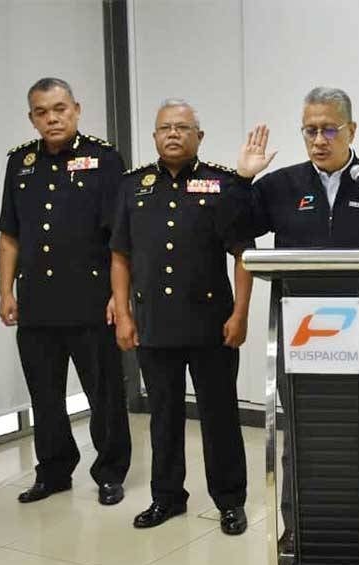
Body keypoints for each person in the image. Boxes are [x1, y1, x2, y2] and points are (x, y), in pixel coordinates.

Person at [236, 86, 359, 550]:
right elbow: (233, 231)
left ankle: (355, 525)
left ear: (351, 130)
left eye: (329, 129)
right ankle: (297, 526)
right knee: (300, 432)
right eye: (310, 130)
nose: (319, 139)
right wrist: (243, 181)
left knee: (357, 432)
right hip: (298, 332)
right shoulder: (280, 186)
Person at [110, 99, 252, 535]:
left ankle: (229, 501)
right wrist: (123, 315)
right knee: (163, 417)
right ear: (154, 137)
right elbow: (120, 255)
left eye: (183, 127)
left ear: (199, 137)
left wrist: (241, 313)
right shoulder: (133, 186)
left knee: (219, 416)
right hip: (155, 323)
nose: (173, 134)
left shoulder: (221, 185)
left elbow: (243, 255)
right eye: (165, 128)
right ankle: (167, 498)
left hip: (212, 323)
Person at [0, 77, 131, 506]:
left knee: (104, 395)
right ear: (31, 117)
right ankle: (54, 471)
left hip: (92, 303)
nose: (52, 118)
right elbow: (9, 236)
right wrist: (5, 291)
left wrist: (120, 297)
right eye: (42, 111)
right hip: (37, 304)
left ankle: (110, 472)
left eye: (59, 108)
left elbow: (120, 238)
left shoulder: (104, 159)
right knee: (45, 397)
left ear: (77, 109)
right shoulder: (20, 163)